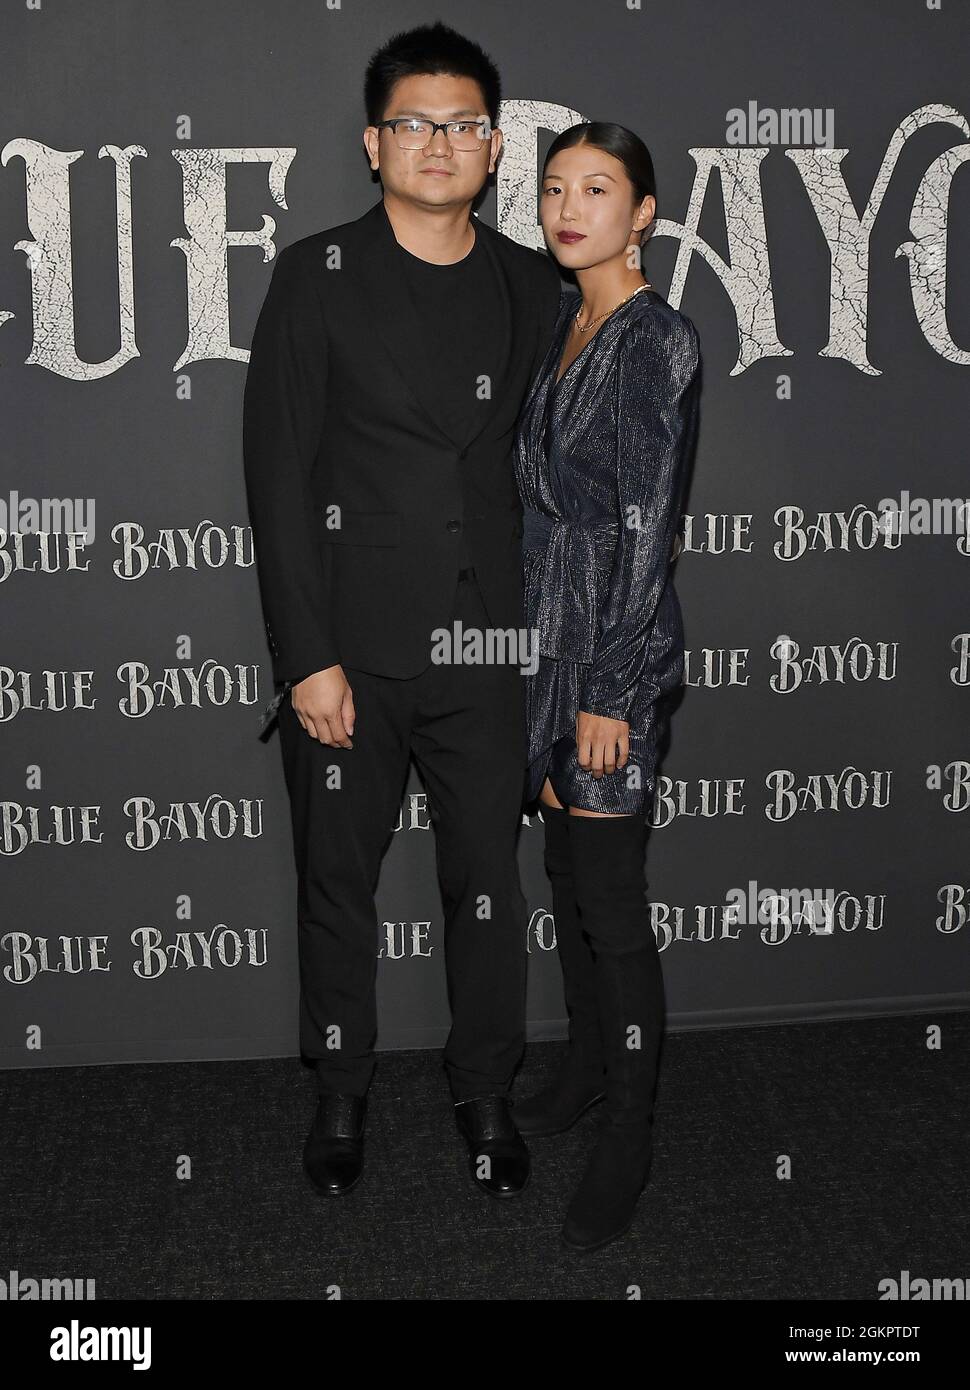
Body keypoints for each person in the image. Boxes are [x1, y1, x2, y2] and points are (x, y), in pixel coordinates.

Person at [242, 22, 561, 1199]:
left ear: (493, 143)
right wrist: (307, 658)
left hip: (488, 649)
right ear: (375, 142)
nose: (443, 143)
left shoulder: (534, 282)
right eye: (418, 123)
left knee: (489, 884)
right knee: (336, 882)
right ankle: (338, 1092)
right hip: (353, 655)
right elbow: (277, 480)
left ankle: (485, 1093)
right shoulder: (315, 274)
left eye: (467, 124)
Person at [511, 122, 702, 1251]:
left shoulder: (648, 340)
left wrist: (611, 690)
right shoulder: (566, 325)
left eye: (597, 189)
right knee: (574, 884)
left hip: (608, 655)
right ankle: (586, 1069)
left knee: (612, 907)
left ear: (643, 215)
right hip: (548, 646)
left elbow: (645, 529)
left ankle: (630, 1129)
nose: (568, 206)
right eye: (551, 188)